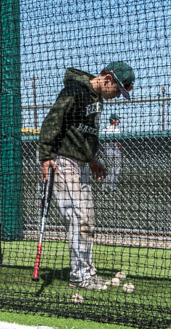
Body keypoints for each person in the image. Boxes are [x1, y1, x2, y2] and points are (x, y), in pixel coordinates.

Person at [37, 62, 135, 290]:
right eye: (117, 90)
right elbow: (53, 120)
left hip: (81, 164)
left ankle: (87, 272)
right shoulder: (76, 90)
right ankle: (80, 276)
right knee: (78, 218)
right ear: (108, 79)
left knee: (87, 220)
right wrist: (45, 156)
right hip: (63, 160)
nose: (117, 96)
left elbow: (85, 135)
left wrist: (92, 160)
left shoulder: (97, 99)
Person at [99, 114, 125, 196]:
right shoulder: (116, 130)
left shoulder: (104, 130)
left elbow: (101, 143)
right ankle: (113, 189)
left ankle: (104, 189)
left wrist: (102, 154)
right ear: (113, 120)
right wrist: (123, 154)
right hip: (116, 154)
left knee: (108, 172)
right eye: (117, 119)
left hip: (107, 154)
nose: (118, 121)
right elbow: (118, 144)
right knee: (115, 172)